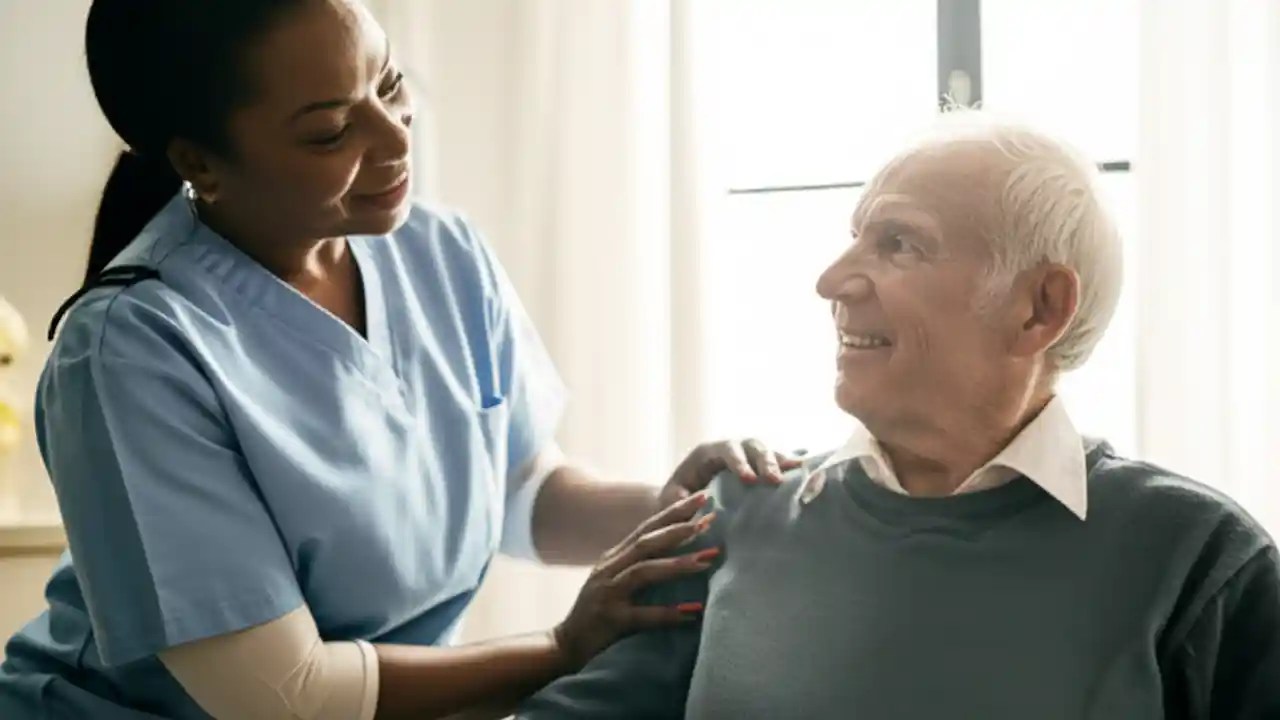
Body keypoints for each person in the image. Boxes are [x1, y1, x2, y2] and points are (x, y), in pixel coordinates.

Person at [0, 1, 799, 718]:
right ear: (200, 164)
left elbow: (522, 492)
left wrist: (693, 511)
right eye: (330, 131)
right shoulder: (130, 352)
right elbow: (283, 698)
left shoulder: (440, 253)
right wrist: (563, 646)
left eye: (389, 85)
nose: (394, 138)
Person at [518, 112, 1280, 719]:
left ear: (1039, 308)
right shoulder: (734, 517)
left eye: (899, 243)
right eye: (856, 238)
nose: (833, 280)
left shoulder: (1199, 559)